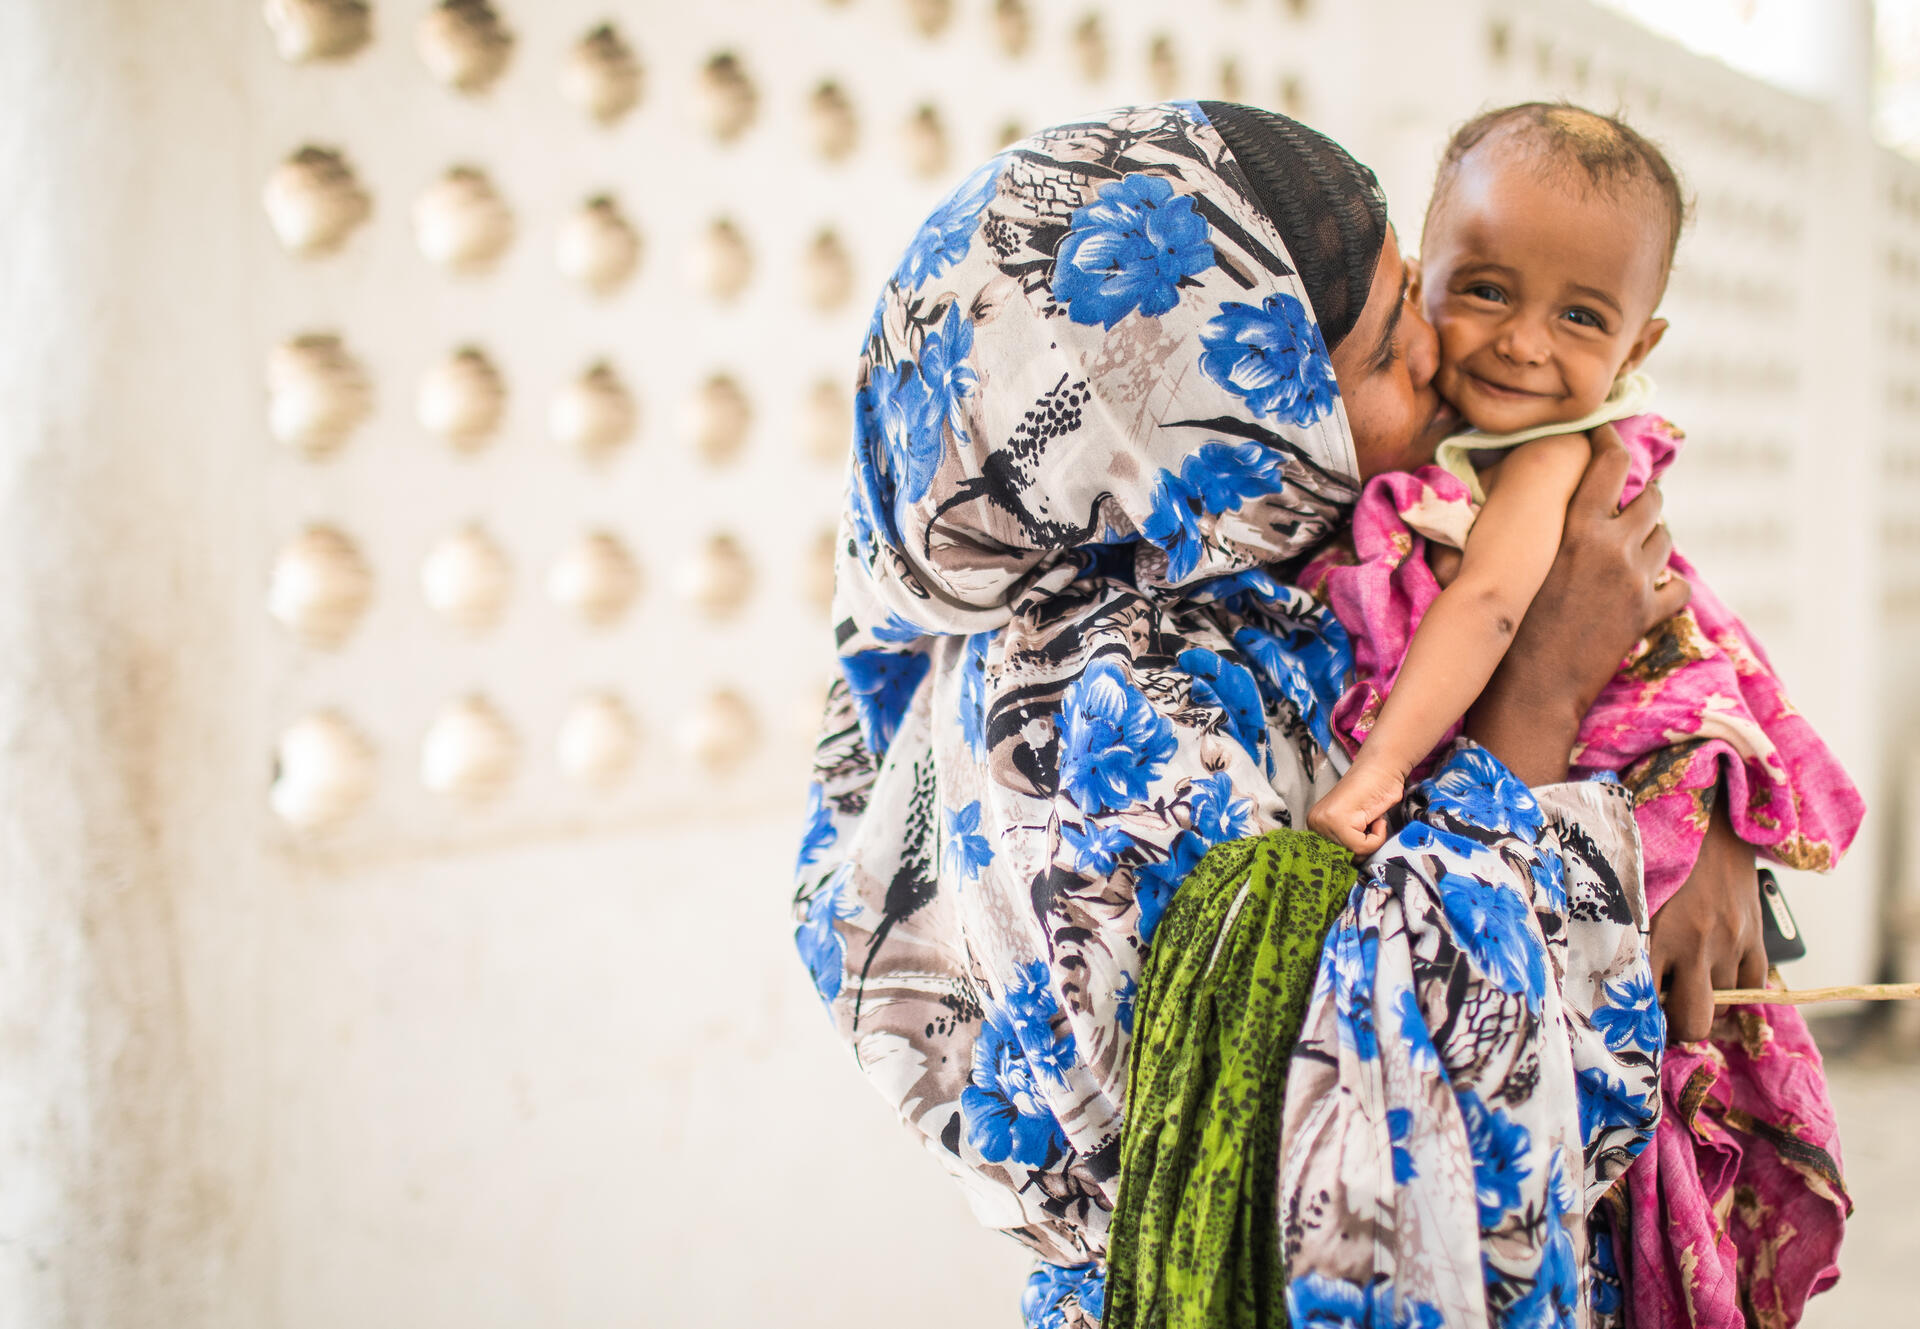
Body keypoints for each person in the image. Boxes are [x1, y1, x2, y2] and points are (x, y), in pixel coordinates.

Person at [789, 102, 1721, 1326]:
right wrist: (1541, 693)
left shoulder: (1258, 578)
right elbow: (1356, 1127)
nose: (1448, 357)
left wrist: (1700, 829)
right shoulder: (1081, 716)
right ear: (1215, 415)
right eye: (1394, 348)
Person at [1300, 103, 1858, 1328]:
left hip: (1610, 801)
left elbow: (1498, 605)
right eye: (1485, 289)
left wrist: (1381, 767)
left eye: (1581, 317)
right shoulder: (1445, 439)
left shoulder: (1556, 456)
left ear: (1641, 339)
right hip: (1539, 826)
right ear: (1421, 268)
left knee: (1648, 1077)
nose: (1521, 344)